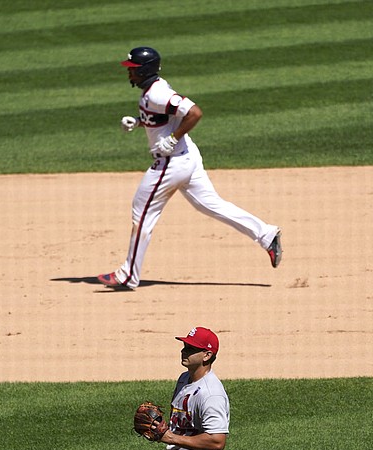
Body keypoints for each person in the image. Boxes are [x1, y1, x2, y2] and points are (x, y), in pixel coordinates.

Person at [97, 46, 282, 289]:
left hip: (171, 163)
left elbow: (195, 113)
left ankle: (128, 275)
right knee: (210, 204)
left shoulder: (158, 93)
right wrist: (140, 123)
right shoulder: (153, 90)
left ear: (144, 70)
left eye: (132, 70)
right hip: (187, 158)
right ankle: (267, 234)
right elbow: (164, 118)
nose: (129, 74)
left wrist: (172, 140)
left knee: (142, 211)